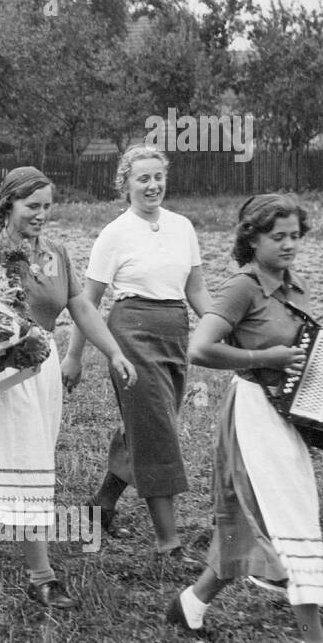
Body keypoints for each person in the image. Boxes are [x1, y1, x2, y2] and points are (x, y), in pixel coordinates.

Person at [0, 167, 137, 609]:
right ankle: (40, 576)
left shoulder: (55, 253)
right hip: (2, 370)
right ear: (8, 205)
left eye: (47, 206)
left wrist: (112, 352)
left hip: (44, 364)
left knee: (22, 463)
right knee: (25, 464)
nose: (41, 215)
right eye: (33, 206)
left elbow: (82, 308)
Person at [168, 194, 323, 643]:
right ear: (252, 239)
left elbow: (303, 354)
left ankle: (192, 603)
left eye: (294, 236)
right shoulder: (241, 288)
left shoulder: (294, 287)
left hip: (290, 416)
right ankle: (314, 642)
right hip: (254, 415)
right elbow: (199, 349)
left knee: (255, 521)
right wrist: (264, 359)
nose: (289, 245)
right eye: (277, 237)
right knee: (290, 521)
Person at [63, 146, 210, 557]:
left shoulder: (183, 227)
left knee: (144, 427)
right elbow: (85, 301)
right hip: (132, 334)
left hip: (174, 334)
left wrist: (222, 330)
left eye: (158, 176)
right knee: (157, 431)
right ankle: (169, 542)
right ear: (125, 184)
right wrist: (74, 356)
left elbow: (196, 288)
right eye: (142, 178)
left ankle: (100, 507)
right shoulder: (115, 233)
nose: (153, 185)